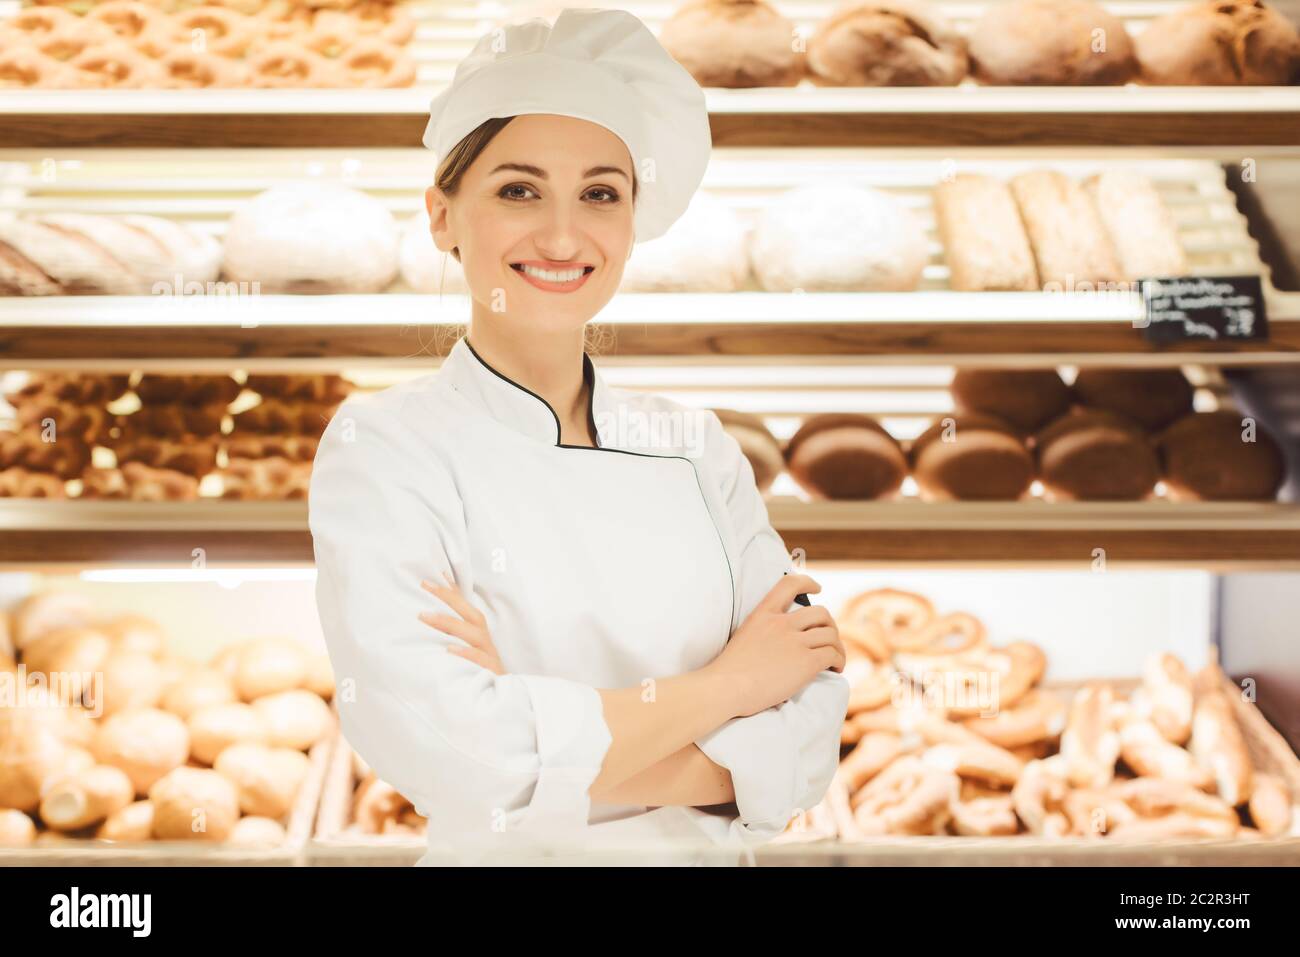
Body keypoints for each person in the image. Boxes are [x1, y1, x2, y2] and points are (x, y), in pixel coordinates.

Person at [308, 7, 849, 866]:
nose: (563, 235)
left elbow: (813, 728)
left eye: (601, 192)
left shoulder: (696, 445)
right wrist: (735, 684)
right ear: (443, 215)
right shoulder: (383, 448)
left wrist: (538, 731)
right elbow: (450, 755)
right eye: (518, 189)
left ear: (632, 219)